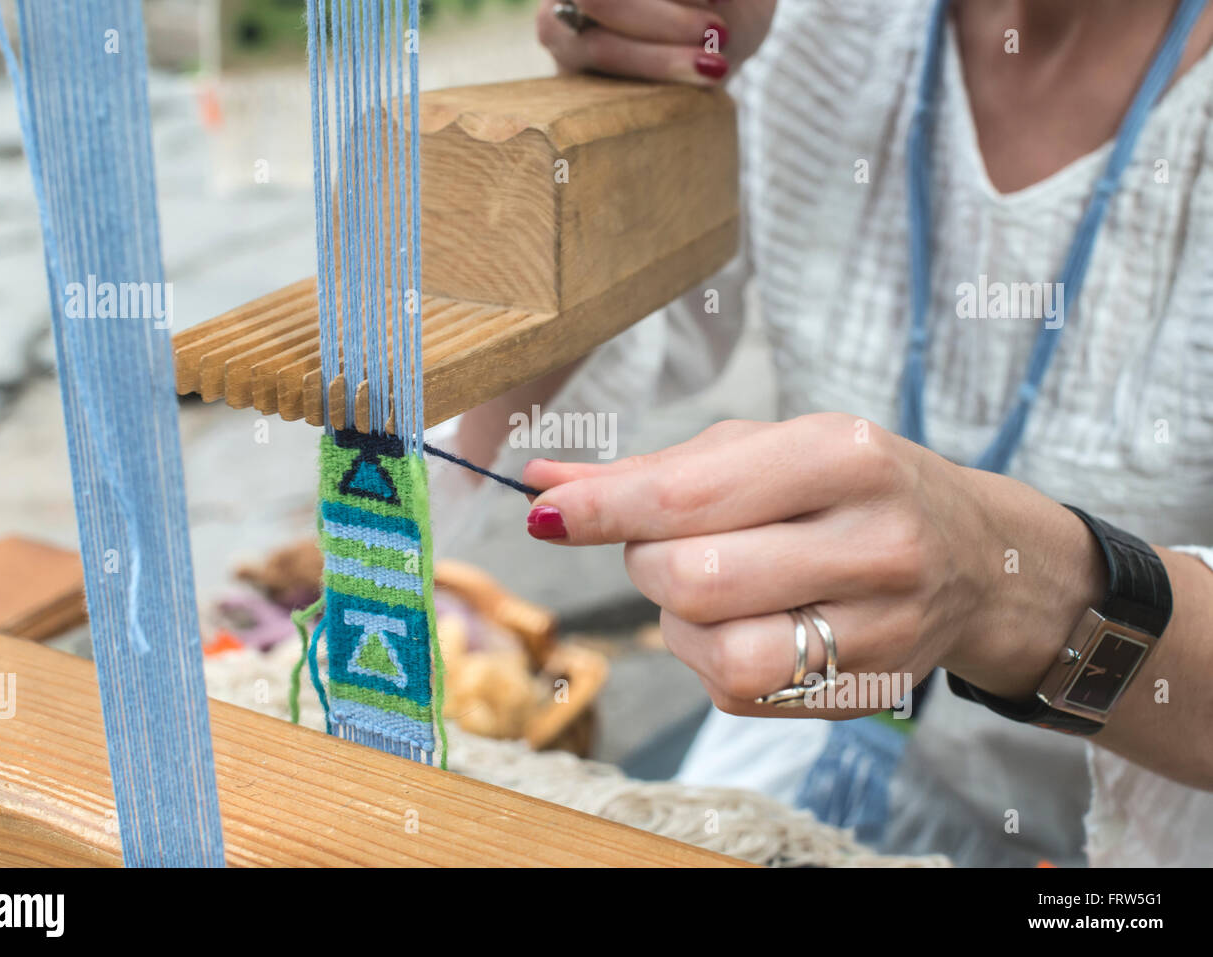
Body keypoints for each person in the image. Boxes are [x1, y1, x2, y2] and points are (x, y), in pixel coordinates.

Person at [451, 0, 1213, 866]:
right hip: (794, 769)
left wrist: (1009, 587)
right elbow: (497, 427)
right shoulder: (811, 30)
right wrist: (620, 109)